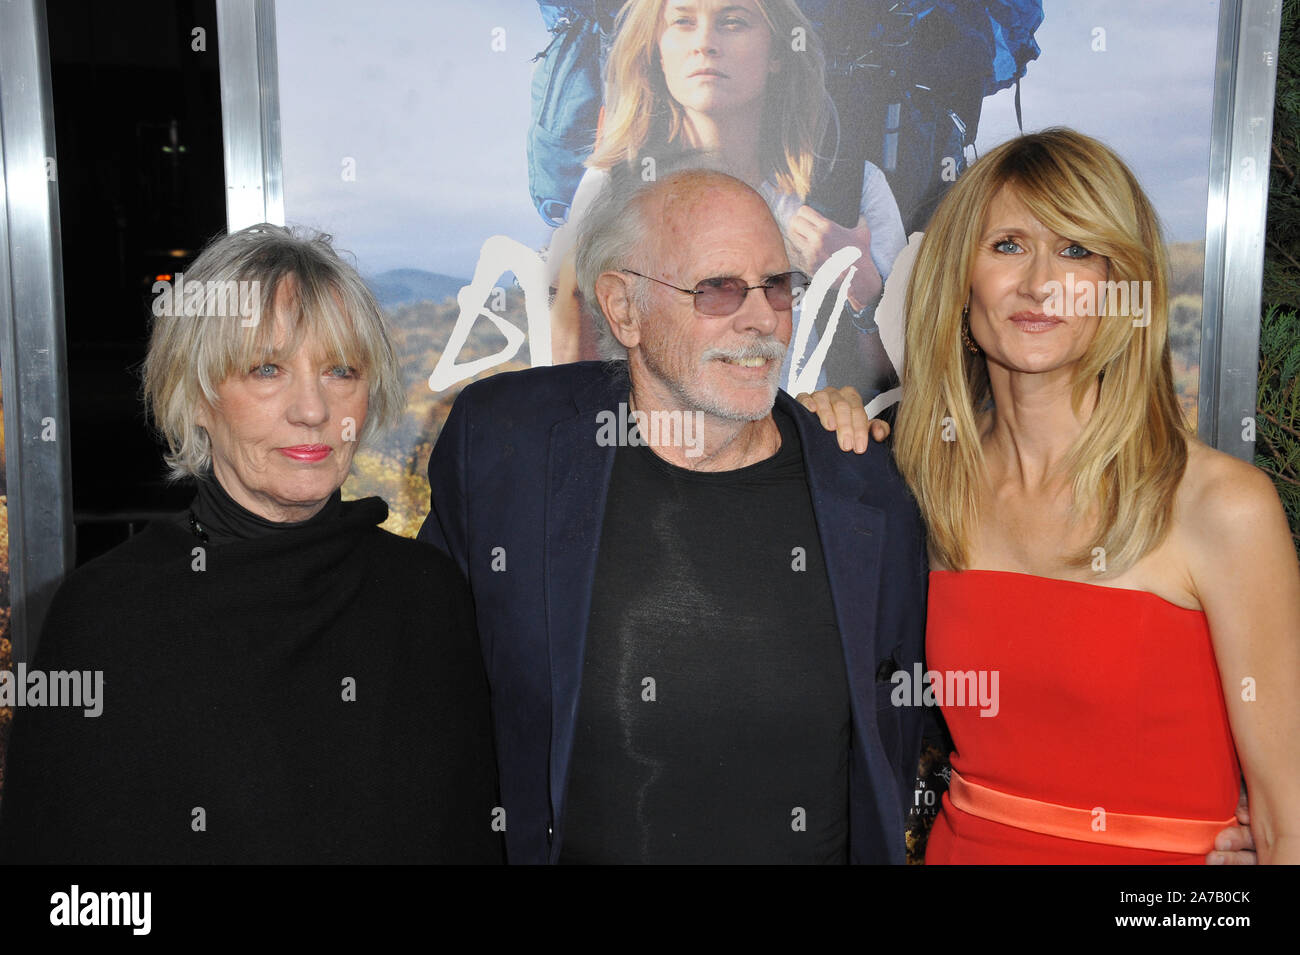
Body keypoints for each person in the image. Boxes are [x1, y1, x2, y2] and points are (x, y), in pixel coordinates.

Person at [418, 168, 928, 864]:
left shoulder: (867, 489)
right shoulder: (508, 446)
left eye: (777, 285)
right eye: (718, 288)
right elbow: (426, 698)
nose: (760, 318)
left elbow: (901, 739)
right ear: (623, 308)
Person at [0, 225, 502, 864]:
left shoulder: (428, 595)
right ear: (199, 397)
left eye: (340, 371)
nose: (313, 410)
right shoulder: (110, 614)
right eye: (267, 370)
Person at [876, 128, 1299, 863]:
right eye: (1008, 244)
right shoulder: (921, 481)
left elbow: (1289, 818)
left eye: (1076, 250)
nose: (1040, 282)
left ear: (1121, 286)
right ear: (960, 278)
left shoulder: (1221, 507)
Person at [546, 0, 907, 399]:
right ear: (657, 53)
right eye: (683, 21)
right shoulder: (612, 186)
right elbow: (573, 369)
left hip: (808, 452)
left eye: (733, 23)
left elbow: (901, 387)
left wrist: (867, 295)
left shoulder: (852, 187)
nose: (704, 42)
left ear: (777, 54)